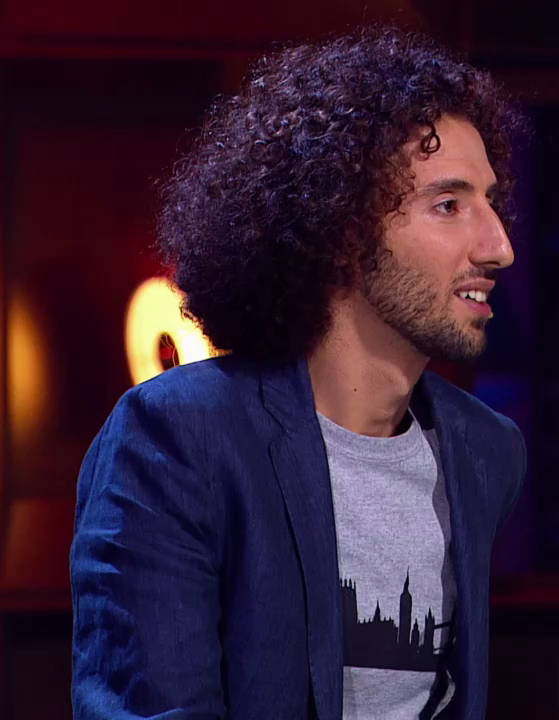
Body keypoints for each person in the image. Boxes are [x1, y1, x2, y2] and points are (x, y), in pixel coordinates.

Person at [70, 26, 525, 720]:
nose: (499, 246)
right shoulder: (177, 436)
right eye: (448, 205)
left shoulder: (486, 448)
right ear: (343, 228)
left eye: (491, 202)